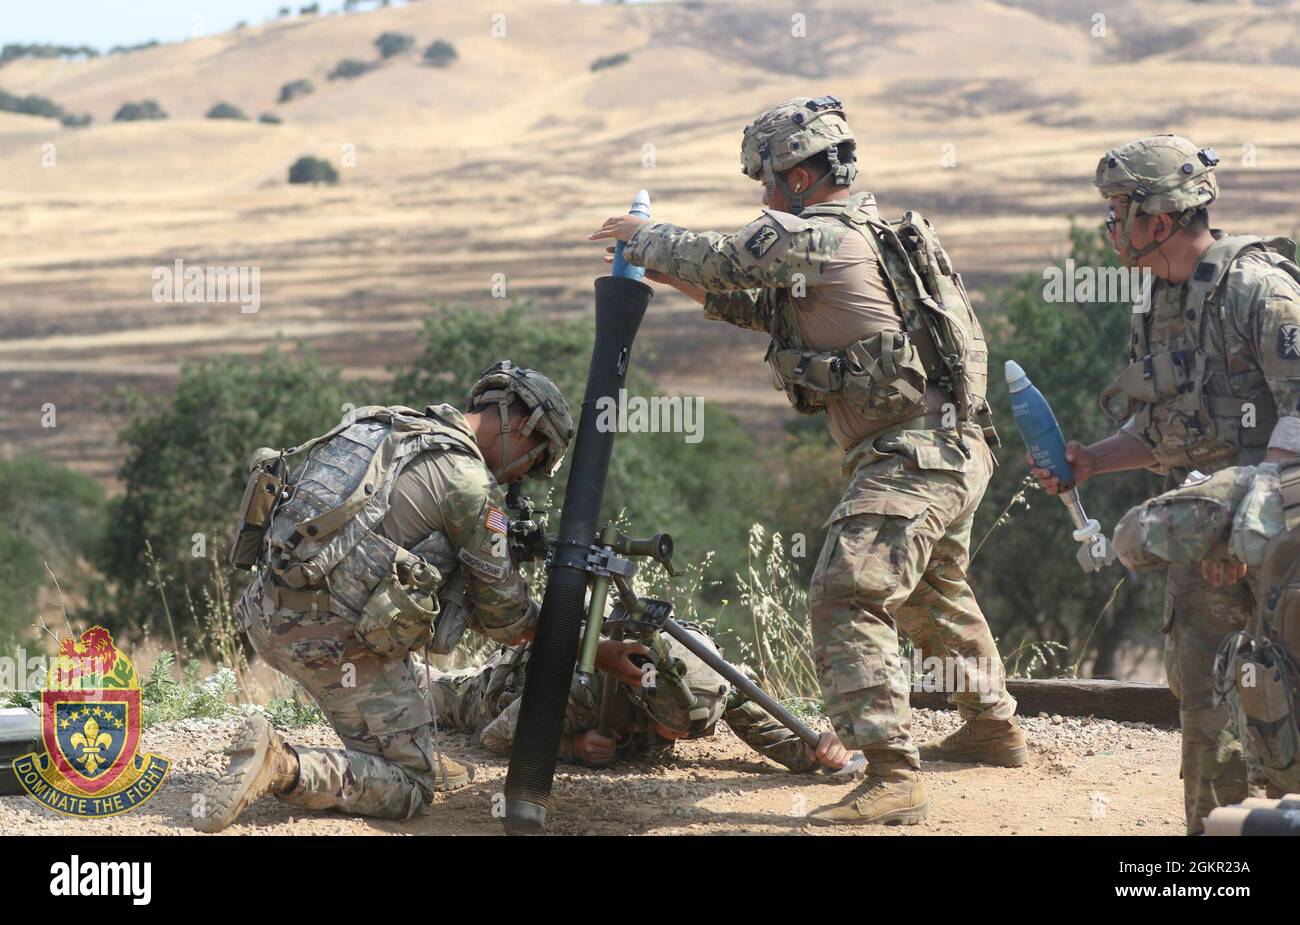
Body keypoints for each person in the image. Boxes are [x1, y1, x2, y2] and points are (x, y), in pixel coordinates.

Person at [589, 96, 1021, 826]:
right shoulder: (861, 236)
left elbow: (729, 260)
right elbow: (755, 303)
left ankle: (890, 772)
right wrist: (666, 273)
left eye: (767, 179)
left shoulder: (817, 233)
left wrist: (647, 236)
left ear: (801, 174)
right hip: (949, 446)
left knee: (846, 591)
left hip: (912, 451)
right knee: (929, 592)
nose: (762, 194)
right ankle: (992, 727)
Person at [1029, 135, 1300, 832]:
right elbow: (1167, 431)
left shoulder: (1258, 289)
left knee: (1286, 701)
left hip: (1279, 543)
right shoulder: (1158, 302)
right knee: (1207, 711)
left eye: (1119, 210)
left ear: (1161, 217)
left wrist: (1247, 515)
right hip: (1203, 542)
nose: (1111, 226)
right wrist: (1092, 460)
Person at [194, 362, 575, 831]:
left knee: (402, 648)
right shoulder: (469, 483)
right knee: (411, 788)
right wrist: (581, 643)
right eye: (536, 460)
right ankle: (283, 765)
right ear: (520, 425)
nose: (523, 476)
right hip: (327, 643)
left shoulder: (379, 424)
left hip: (265, 614)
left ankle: (411, 744)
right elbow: (507, 619)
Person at [426, 623, 855, 773]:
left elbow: (786, 743)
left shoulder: (714, 683)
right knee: (429, 695)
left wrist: (821, 749)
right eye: (674, 729)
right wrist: (571, 747)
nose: (679, 739)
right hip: (503, 688)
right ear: (641, 695)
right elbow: (495, 738)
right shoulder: (589, 688)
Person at [1112, 462, 1300, 799]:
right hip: (1236, 499)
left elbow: (1129, 539)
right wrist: (1220, 535)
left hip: (1246, 499)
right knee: (1223, 705)